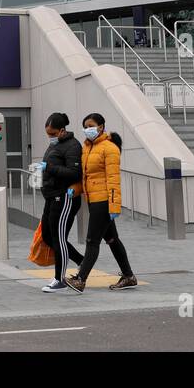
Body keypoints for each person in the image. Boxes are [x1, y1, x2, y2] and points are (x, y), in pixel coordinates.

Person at [66, 113, 137, 292]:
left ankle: (81, 280)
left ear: (101, 126)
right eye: (85, 126)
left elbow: (113, 180)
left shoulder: (109, 148)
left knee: (92, 241)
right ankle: (128, 276)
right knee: (112, 239)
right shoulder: (87, 148)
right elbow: (86, 177)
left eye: (90, 125)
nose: (87, 129)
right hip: (93, 200)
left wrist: (114, 206)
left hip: (104, 201)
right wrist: (76, 189)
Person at [38, 112, 83, 294]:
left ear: (62, 130)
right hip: (51, 196)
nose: (50, 137)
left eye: (53, 134)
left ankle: (59, 279)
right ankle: (82, 261)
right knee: (48, 236)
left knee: (58, 237)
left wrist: (48, 168)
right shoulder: (55, 146)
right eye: (48, 134)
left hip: (64, 197)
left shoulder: (73, 146)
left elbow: (74, 173)